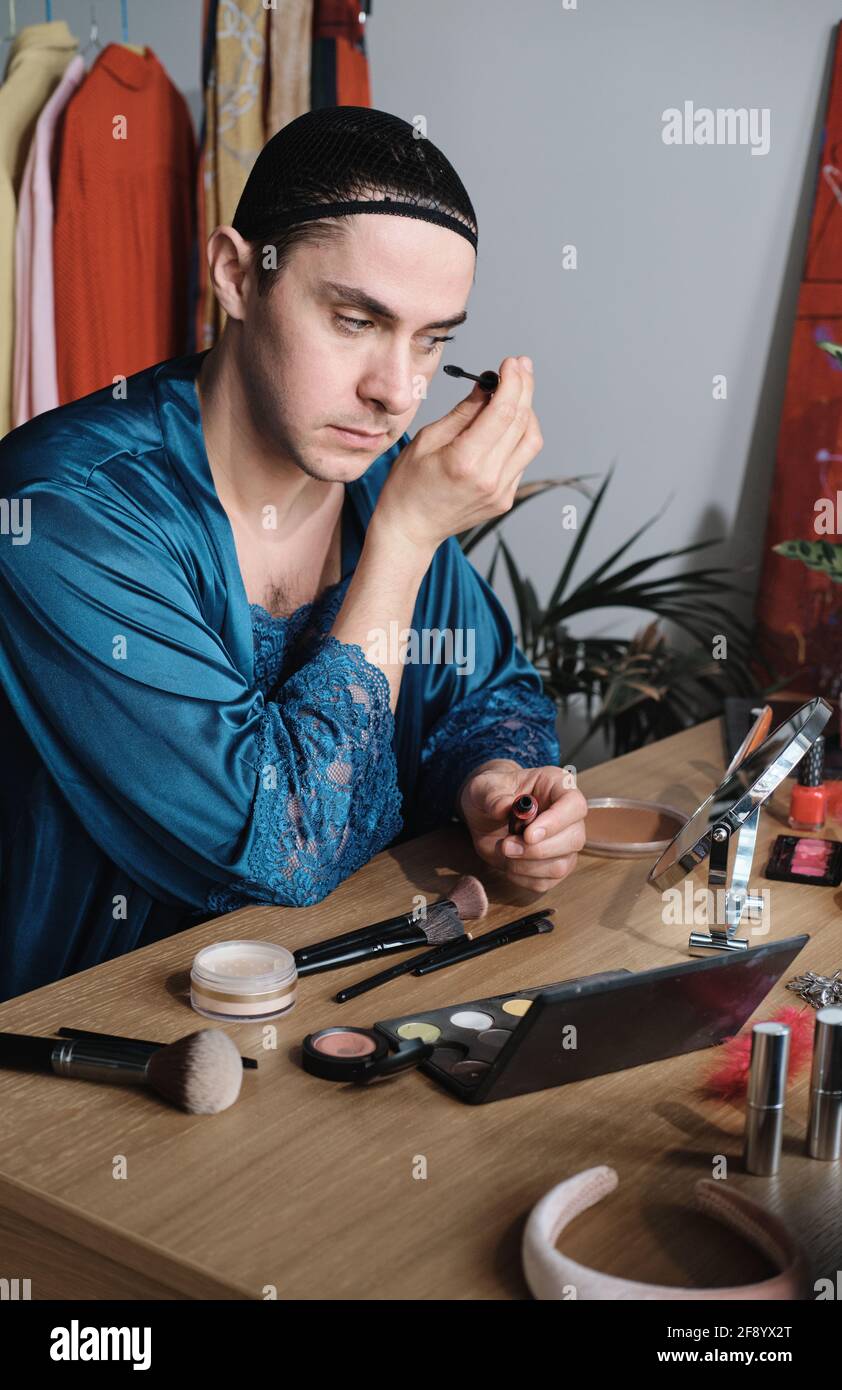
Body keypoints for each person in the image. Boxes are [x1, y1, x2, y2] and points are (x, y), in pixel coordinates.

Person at [0, 107, 587, 1002]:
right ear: (238, 275)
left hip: (334, 1000)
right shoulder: (62, 509)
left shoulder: (378, 478)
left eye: (433, 342)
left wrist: (494, 785)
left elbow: (484, 694)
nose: (397, 392)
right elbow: (286, 847)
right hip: (84, 1035)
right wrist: (401, 540)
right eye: (355, 320)